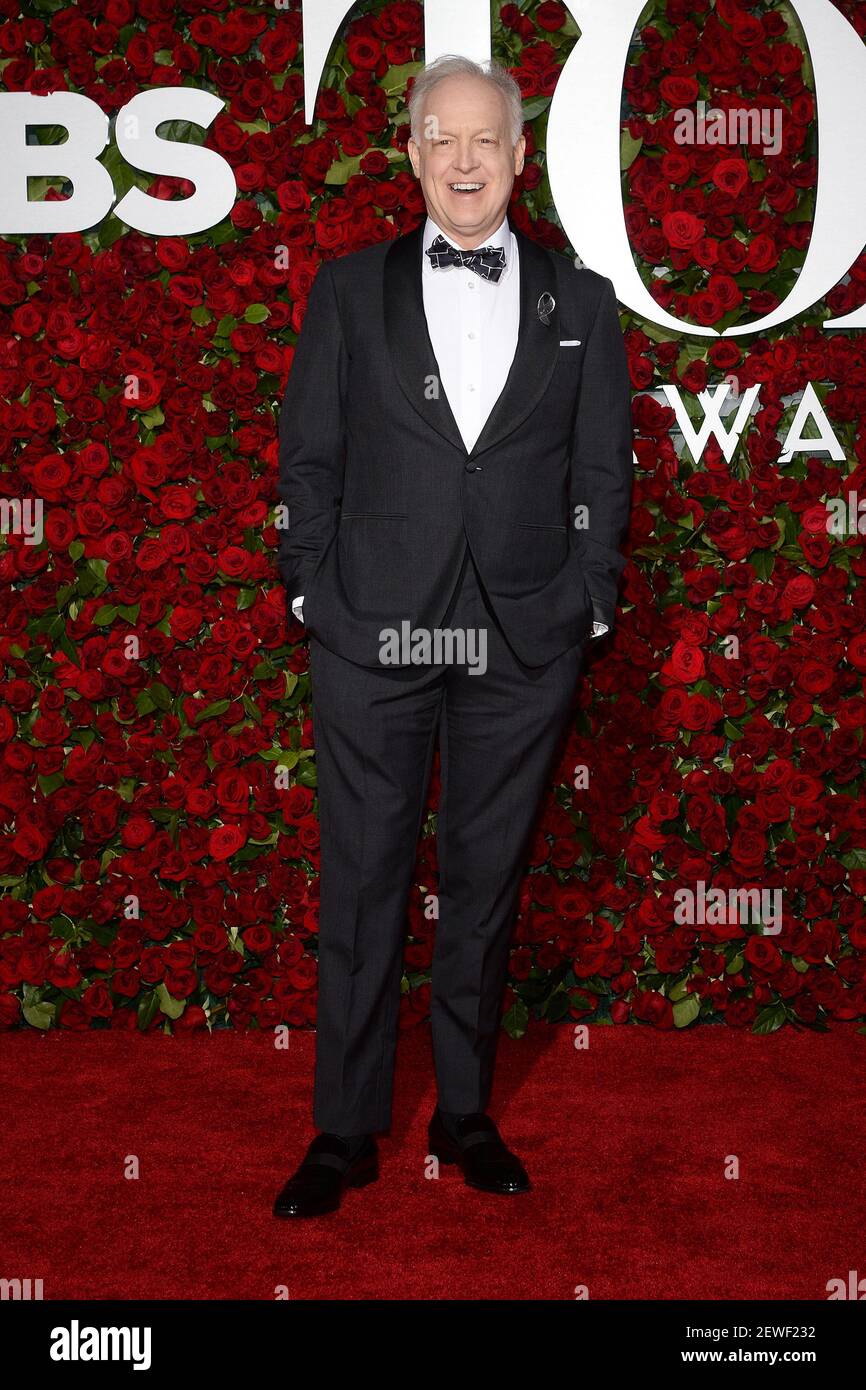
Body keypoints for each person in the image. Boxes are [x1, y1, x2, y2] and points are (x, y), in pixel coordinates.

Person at [273, 53, 633, 1217]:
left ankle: (467, 1114)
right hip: (373, 628)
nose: (466, 160)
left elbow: (600, 468)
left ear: (520, 157)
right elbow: (308, 459)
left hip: (521, 638)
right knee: (363, 880)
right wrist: (309, 594)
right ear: (413, 152)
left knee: (483, 888)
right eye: (444, 139)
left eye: (488, 140)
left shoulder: (579, 304)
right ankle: (344, 1128)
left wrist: (587, 599)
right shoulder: (344, 290)